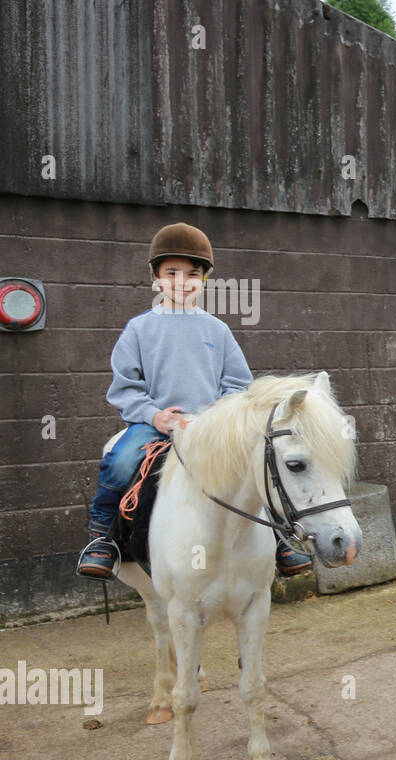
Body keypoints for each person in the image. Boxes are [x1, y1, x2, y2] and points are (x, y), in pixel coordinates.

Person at [76, 223, 314, 579]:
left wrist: (216, 417)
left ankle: (280, 540)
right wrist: (155, 416)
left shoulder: (217, 330)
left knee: (257, 463)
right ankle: (102, 539)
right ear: (156, 277)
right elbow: (126, 388)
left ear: (203, 280)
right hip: (154, 424)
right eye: (171, 272)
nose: (182, 281)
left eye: (192, 273)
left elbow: (237, 384)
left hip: (210, 426)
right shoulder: (138, 329)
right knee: (120, 460)